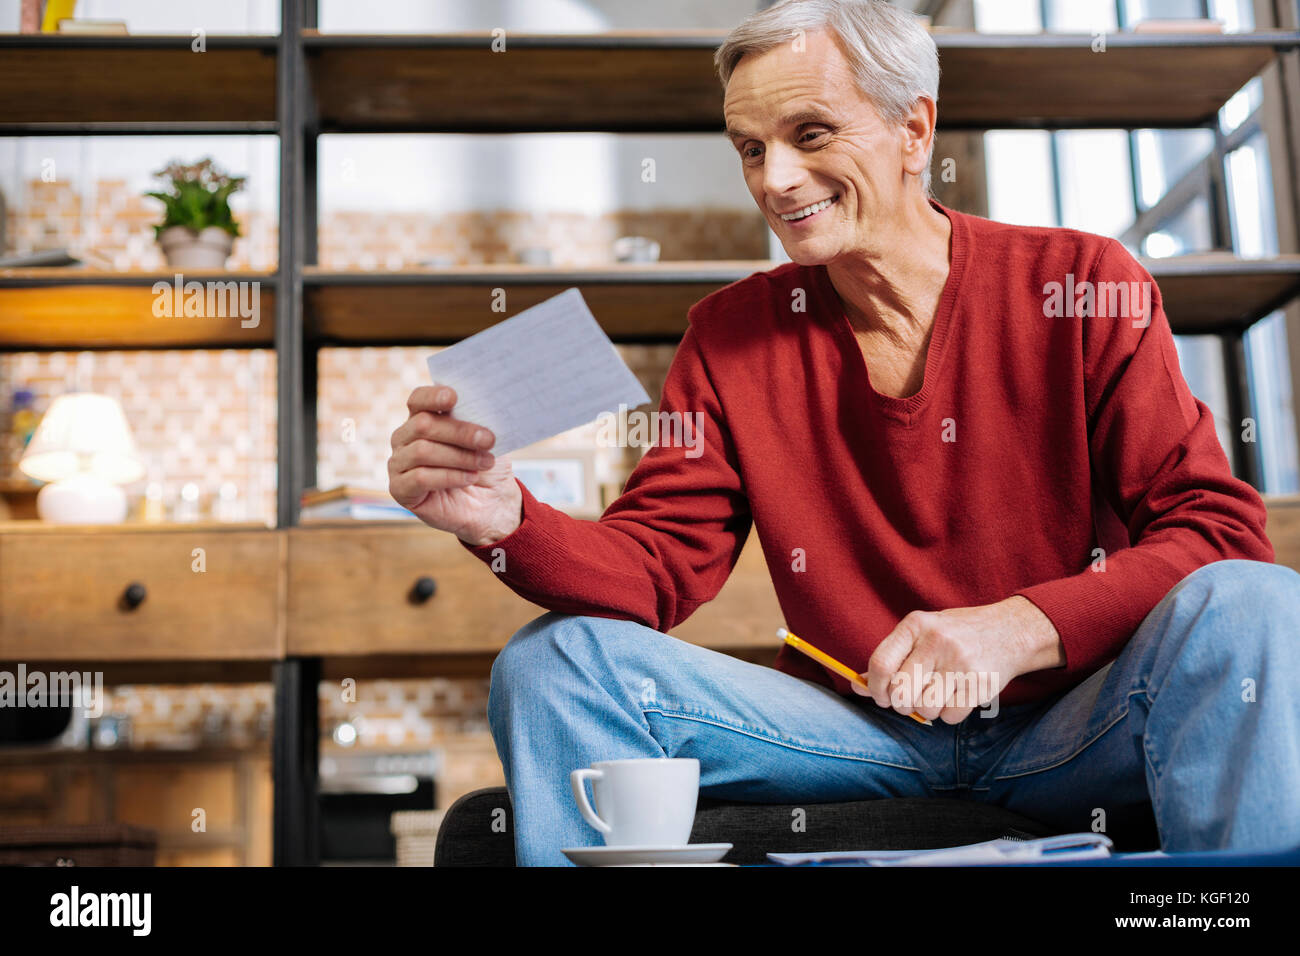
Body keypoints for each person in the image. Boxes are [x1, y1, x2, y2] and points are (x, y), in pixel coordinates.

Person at [388, 0, 1299, 866]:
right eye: (751, 148)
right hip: (857, 735)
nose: (774, 180)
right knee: (556, 662)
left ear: (914, 129)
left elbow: (1218, 534)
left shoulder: (1083, 282)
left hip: (1077, 721)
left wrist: (1015, 631)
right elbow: (657, 566)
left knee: (1254, 604)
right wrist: (505, 519)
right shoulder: (730, 334)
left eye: (809, 135)